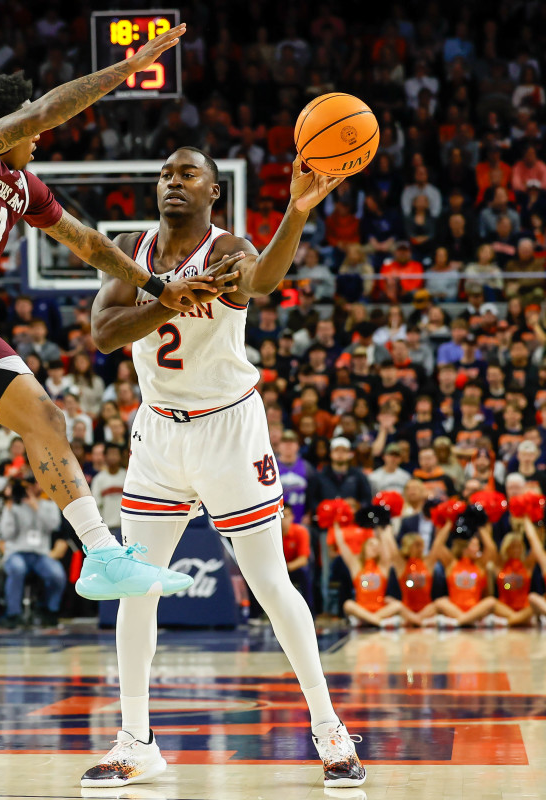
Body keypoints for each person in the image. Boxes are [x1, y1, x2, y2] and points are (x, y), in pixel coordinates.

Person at [0, 26, 212, 723]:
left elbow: (85, 241)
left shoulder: (21, 183)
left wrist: (155, 285)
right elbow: (41, 115)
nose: (41, 142)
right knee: (46, 418)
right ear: (3, 122)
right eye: (30, 129)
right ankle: (100, 550)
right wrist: (124, 71)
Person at [84, 146, 363, 789]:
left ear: (214, 193)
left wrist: (295, 210)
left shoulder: (228, 249)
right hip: (157, 432)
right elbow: (104, 332)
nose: (172, 182)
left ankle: (328, 730)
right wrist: (168, 300)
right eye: (165, 173)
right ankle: (135, 740)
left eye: (188, 175)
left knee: (269, 584)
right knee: (135, 585)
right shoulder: (133, 246)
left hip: (229, 429)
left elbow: (264, 281)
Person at [0, 476, 66, 627]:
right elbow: (7, 534)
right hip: (17, 552)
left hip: (40, 554)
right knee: (17, 568)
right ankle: (13, 613)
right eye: (25, 487)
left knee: (57, 574)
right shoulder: (13, 505)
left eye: (31, 485)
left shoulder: (48, 505)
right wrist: (10, 511)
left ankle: (50, 610)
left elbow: (53, 526)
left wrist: (36, 507)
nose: (28, 489)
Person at [334, 506, 409, 628]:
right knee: (348, 604)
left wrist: (383, 524)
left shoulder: (382, 567)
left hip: (379, 609)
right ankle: (378, 621)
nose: (374, 547)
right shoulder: (357, 566)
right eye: (371, 544)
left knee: (397, 605)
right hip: (361, 609)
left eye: (377, 545)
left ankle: (370, 620)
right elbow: (342, 545)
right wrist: (336, 526)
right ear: (364, 547)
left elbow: (385, 545)